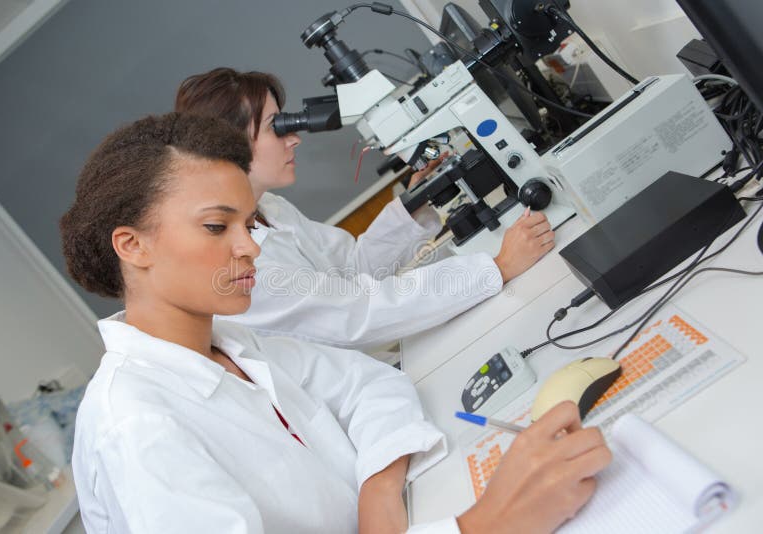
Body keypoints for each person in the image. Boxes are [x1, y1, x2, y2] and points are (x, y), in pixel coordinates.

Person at [62, 112, 610, 533]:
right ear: (133, 245)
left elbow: (369, 384)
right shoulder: (136, 427)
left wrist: (377, 493)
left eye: (248, 224)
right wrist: (487, 522)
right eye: (215, 227)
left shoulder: (232, 344)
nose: (250, 248)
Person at [175, 68, 555, 351]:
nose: (294, 139)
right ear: (228, 145)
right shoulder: (233, 261)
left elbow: (351, 270)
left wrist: (414, 201)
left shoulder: (269, 208)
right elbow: (355, 314)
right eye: (277, 127)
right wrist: (496, 269)